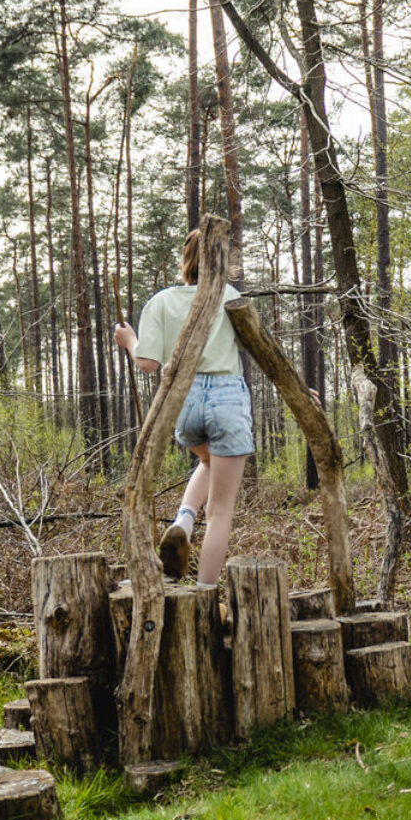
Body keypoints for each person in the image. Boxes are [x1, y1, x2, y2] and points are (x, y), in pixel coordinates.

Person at [113, 228, 249, 585]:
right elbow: (259, 346)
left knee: (206, 460)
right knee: (220, 511)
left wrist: (129, 341)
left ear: (185, 262)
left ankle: (183, 522)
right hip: (227, 399)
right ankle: (205, 591)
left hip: (183, 403)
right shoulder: (230, 296)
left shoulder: (161, 301)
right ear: (222, 263)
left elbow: (147, 363)